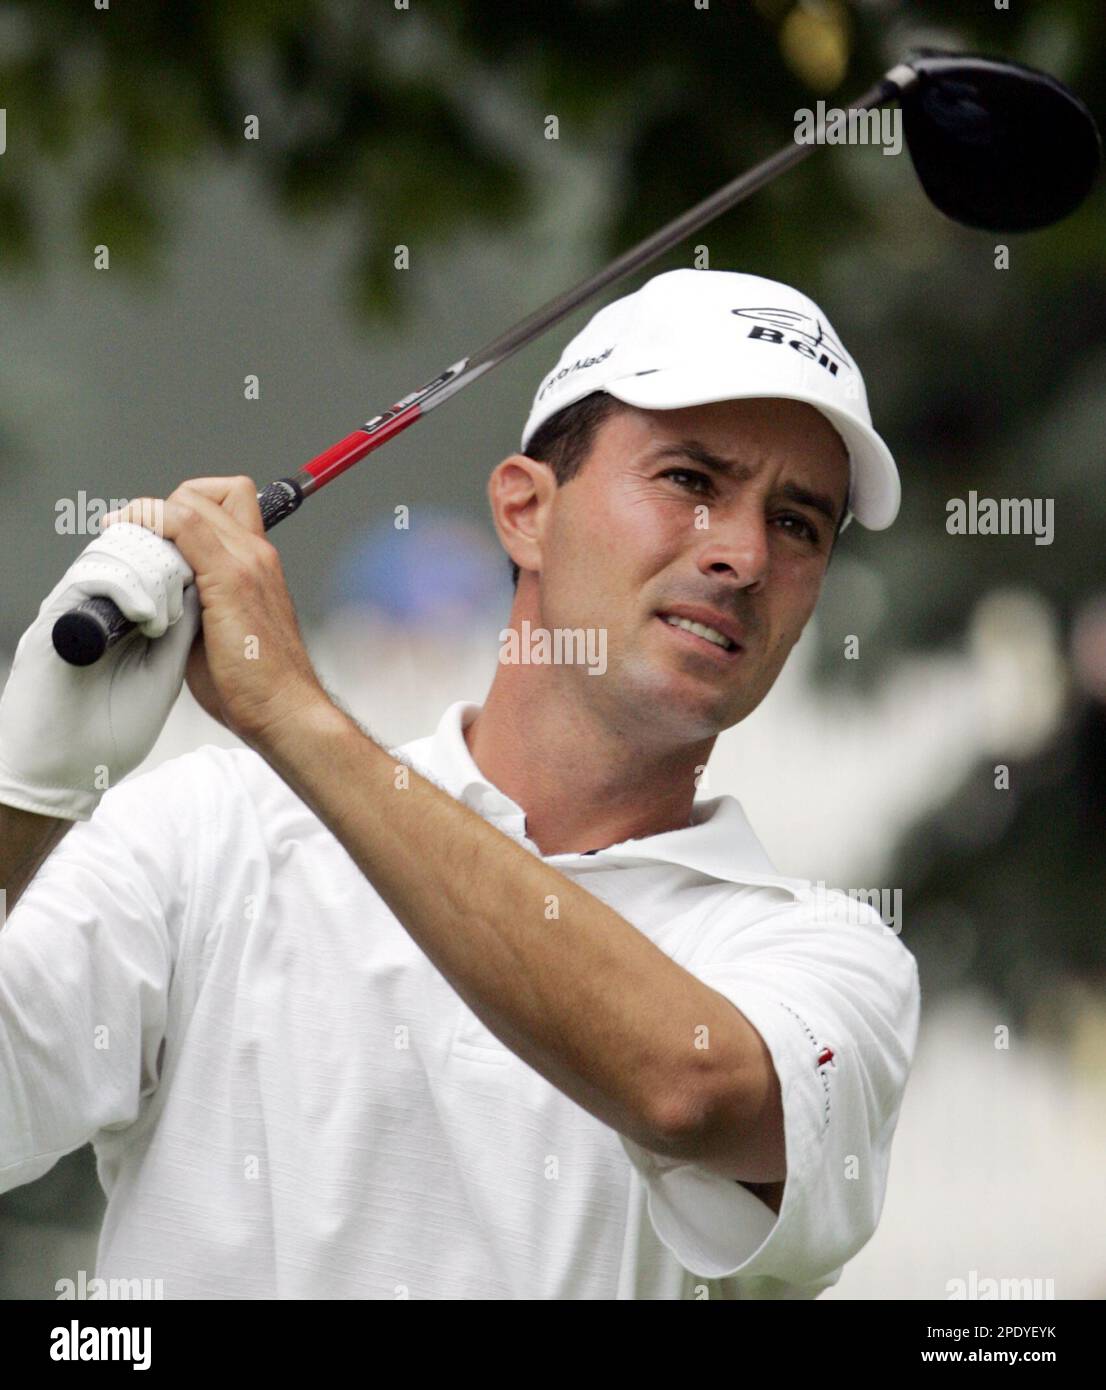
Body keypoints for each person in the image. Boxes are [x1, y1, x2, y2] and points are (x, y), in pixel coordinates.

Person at [0, 268, 919, 1300]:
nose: (742, 554)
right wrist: (24, 791)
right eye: (689, 480)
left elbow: (683, 1089)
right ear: (525, 510)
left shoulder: (824, 959)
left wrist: (294, 715)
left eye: (797, 523)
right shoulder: (207, 836)